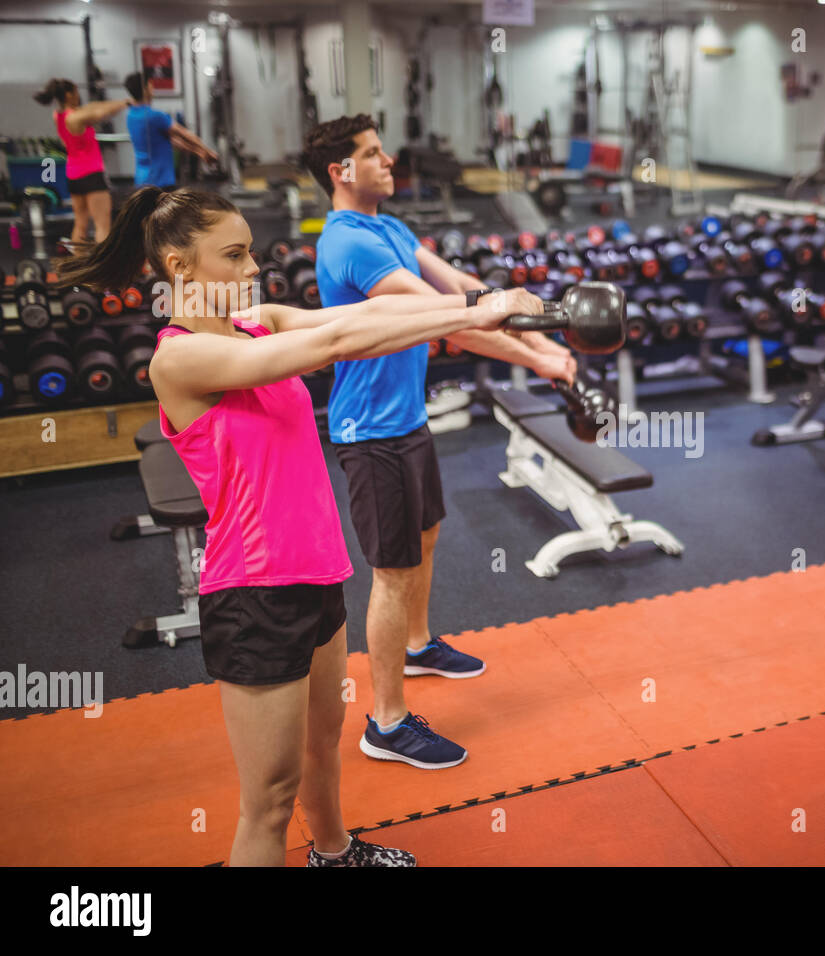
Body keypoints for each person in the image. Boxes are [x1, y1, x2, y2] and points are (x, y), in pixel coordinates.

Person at [56, 186, 544, 866]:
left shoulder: (259, 322)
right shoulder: (180, 359)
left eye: (251, 250)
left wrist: (486, 308)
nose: (253, 267)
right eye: (233, 254)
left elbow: (367, 312)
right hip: (255, 594)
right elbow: (342, 338)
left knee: (322, 745)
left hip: (318, 573)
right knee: (269, 801)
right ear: (180, 268)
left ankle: (336, 852)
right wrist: (474, 308)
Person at [301, 114, 575, 771]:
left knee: (426, 536)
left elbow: (462, 287)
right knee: (392, 573)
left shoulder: (389, 227)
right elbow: (451, 316)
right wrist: (541, 363)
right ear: (341, 172)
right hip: (370, 431)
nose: (389, 158)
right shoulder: (348, 242)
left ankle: (419, 647)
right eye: (372, 153)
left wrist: (543, 336)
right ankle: (387, 724)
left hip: (406, 420)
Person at [33, 78, 128, 245]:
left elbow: (92, 108)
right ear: (69, 94)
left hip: (73, 176)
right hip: (91, 174)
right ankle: (103, 269)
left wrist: (120, 101)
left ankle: (76, 266)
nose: (79, 95)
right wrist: (126, 103)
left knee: (80, 225)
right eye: (76, 92)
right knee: (102, 226)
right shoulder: (76, 118)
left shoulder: (58, 116)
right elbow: (100, 113)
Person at [124, 72, 218, 188]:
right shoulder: (155, 116)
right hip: (161, 182)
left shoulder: (130, 115)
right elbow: (185, 134)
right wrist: (208, 151)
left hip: (141, 180)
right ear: (146, 88)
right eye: (150, 85)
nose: (152, 88)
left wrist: (200, 153)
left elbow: (173, 142)